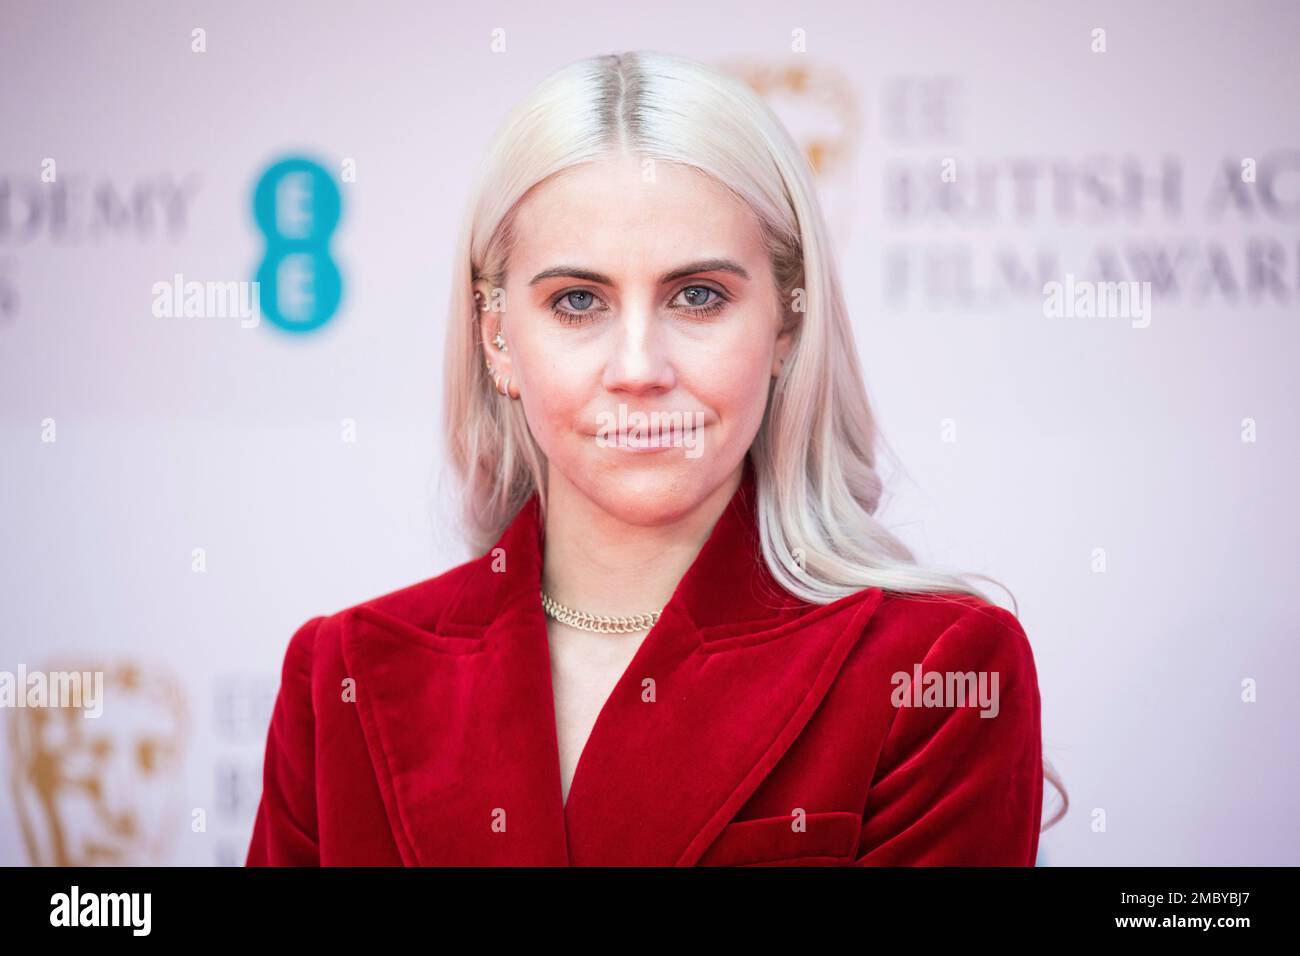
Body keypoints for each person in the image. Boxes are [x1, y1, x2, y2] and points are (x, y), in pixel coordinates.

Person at [246, 49, 1064, 867]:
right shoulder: (339, 676)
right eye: (577, 302)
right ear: (496, 337)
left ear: (785, 325)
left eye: (698, 296)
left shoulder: (936, 674)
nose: (639, 368)